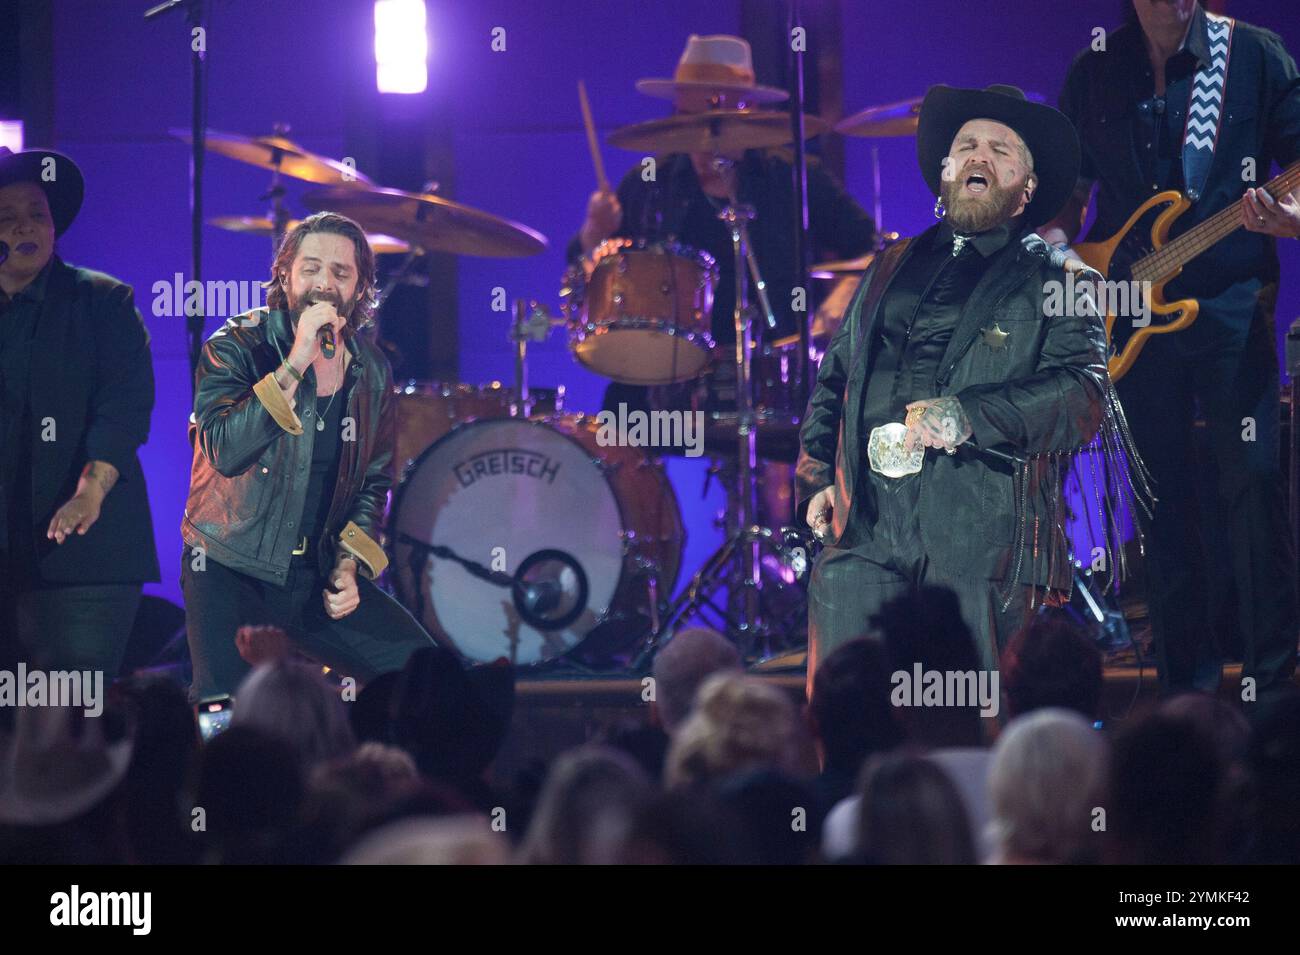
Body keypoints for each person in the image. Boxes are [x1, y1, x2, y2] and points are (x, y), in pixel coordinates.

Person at [797, 84, 1139, 694]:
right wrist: (818, 473)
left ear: (1026, 188)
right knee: (846, 714)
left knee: (966, 720)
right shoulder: (888, 267)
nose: (980, 155)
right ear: (945, 172)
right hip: (865, 528)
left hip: (980, 531)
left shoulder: (1061, 276)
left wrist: (970, 415)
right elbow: (835, 379)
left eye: (1002, 149)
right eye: (967, 145)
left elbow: (1085, 394)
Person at [1043, 0, 1300, 696]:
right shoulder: (1095, 69)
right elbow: (1066, 196)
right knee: (1156, 494)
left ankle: (1273, 687)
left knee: (1251, 480)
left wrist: (1288, 217)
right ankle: (1185, 689)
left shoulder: (1253, 56)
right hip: (1124, 304)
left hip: (1229, 299)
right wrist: (1065, 258)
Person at [181, 212, 435, 700]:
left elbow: (374, 482)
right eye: (311, 268)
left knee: (424, 681)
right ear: (285, 275)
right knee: (225, 717)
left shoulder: (372, 370)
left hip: (314, 573)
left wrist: (349, 563)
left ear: (360, 289)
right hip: (230, 565)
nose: (325, 284)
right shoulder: (235, 346)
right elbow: (225, 451)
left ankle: (374, 773)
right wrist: (294, 364)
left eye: (341, 273)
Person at [569, 34, 876, 412]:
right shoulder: (652, 181)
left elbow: (871, 249)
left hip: (776, 378)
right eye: (687, 118)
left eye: (714, 116)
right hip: (670, 380)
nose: (701, 132)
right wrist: (592, 236)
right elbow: (589, 277)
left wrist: (837, 306)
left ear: (745, 109)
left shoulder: (794, 176)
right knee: (617, 426)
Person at [0, 146, 159, 678]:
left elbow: (124, 407)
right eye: (7, 217)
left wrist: (91, 489)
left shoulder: (102, 302)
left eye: (36, 215)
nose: (25, 227)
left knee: (73, 721)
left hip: (84, 560)